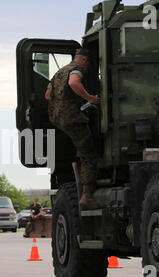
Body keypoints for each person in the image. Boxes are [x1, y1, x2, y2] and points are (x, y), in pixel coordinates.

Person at [45, 48, 101, 210]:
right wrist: (90, 98)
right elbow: (73, 83)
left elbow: (48, 95)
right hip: (72, 119)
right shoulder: (77, 70)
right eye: (88, 63)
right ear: (84, 60)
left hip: (57, 118)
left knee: (80, 146)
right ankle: (87, 196)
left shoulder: (59, 72)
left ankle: (79, 153)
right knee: (89, 155)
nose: (88, 66)